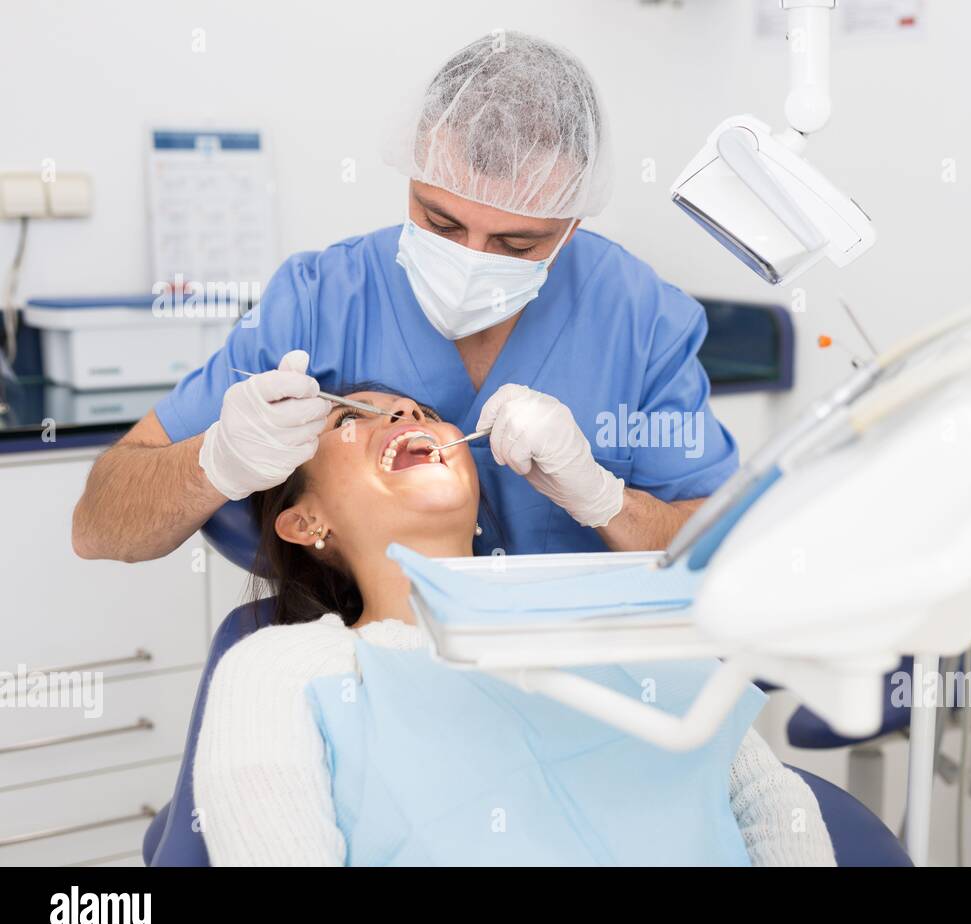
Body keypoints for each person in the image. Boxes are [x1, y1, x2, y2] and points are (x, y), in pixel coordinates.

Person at [73, 30, 737, 563]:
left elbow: (717, 558)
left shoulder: (641, 317)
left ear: (572, 224)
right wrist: (215, 459)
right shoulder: (317, 301)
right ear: (415, 166)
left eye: (515, 245)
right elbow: (99, 528)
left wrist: (601, 498)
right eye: (441, 223)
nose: (471, 262)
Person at [193, 388, 834, 866]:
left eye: (417, 410)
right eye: (350, 417)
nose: (406, 416)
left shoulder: (618, 622)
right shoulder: (284, 670)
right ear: (306, 525)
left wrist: (605, 495)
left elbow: (769, 804)